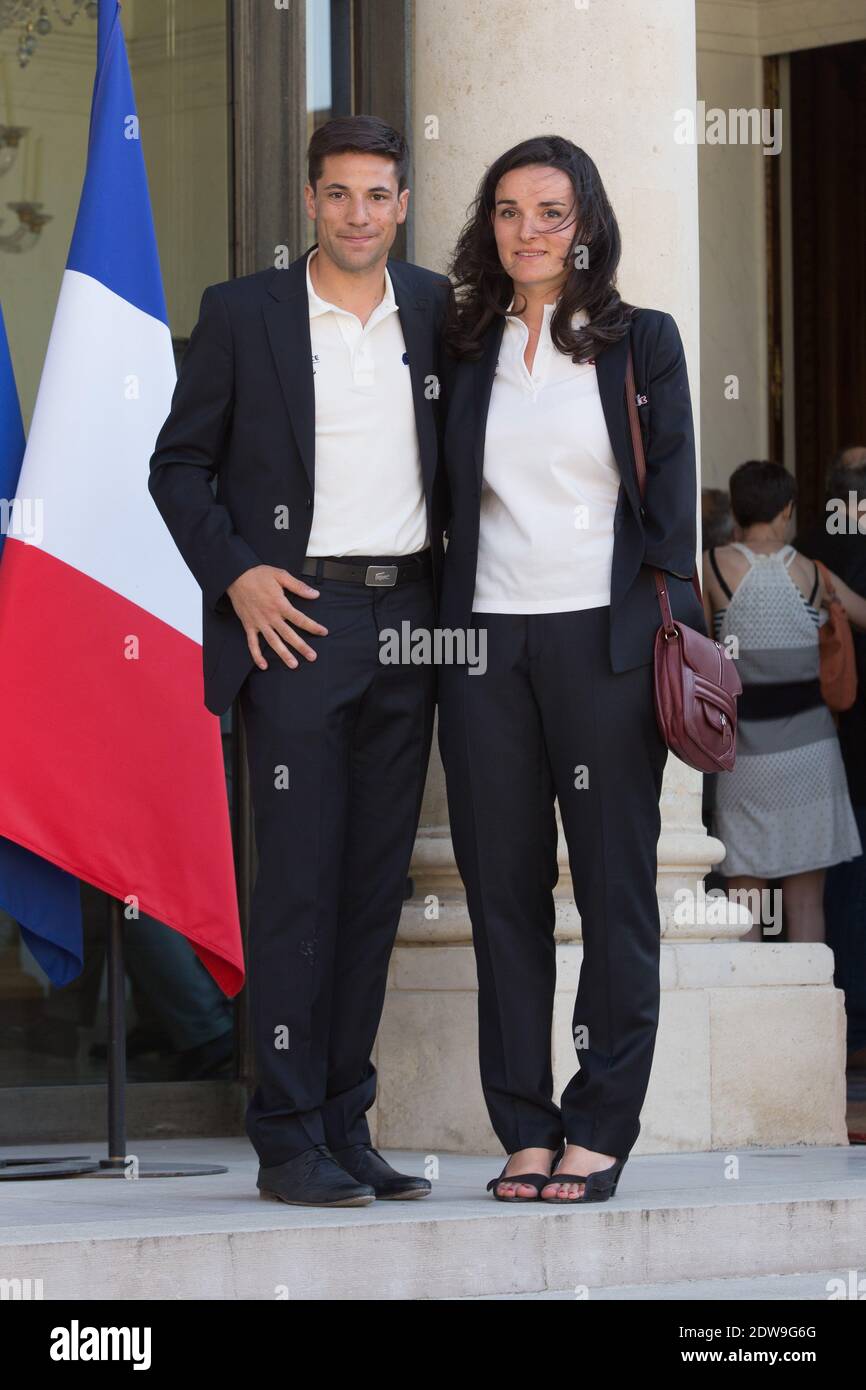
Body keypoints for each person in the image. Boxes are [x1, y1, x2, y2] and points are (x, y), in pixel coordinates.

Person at [149, 116, 450, 1207]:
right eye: (338, 195)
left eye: (377, 194)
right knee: (299, 890)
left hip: (410, 619)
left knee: (373, 888)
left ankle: (342, 1120)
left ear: (402, 203)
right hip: (296, 621)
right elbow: (178, 467)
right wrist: (237, 574)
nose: (357, 214)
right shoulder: (242, 315)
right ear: (309, 201)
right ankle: (283, 1137)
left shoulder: (433, 310)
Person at [437, 135, 705, 1204]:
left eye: (549, 211)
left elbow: (670, 499)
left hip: (600, 646)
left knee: (611, 889)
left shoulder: (640, 342)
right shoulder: (462, 341)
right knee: (499, 891)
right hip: (485, 647)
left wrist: (653, 625)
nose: (527, 231)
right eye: (507, 211)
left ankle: (599, 1121)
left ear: (584, 221)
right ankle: (523, 1125)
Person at [703, 459, 866, 942]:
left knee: (745, 902)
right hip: (813, 754)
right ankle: (811, 1009)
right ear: (788, 511)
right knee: (805, 903)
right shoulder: (814, 573)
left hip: (745, 757)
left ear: (736, 508)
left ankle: (750, 1010)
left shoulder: (712, 567)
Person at [794, 448, 866, 1067]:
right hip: (837, 728)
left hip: (820, 729)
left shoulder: (806, 552)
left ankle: (845, 1016)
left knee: (838, 874)